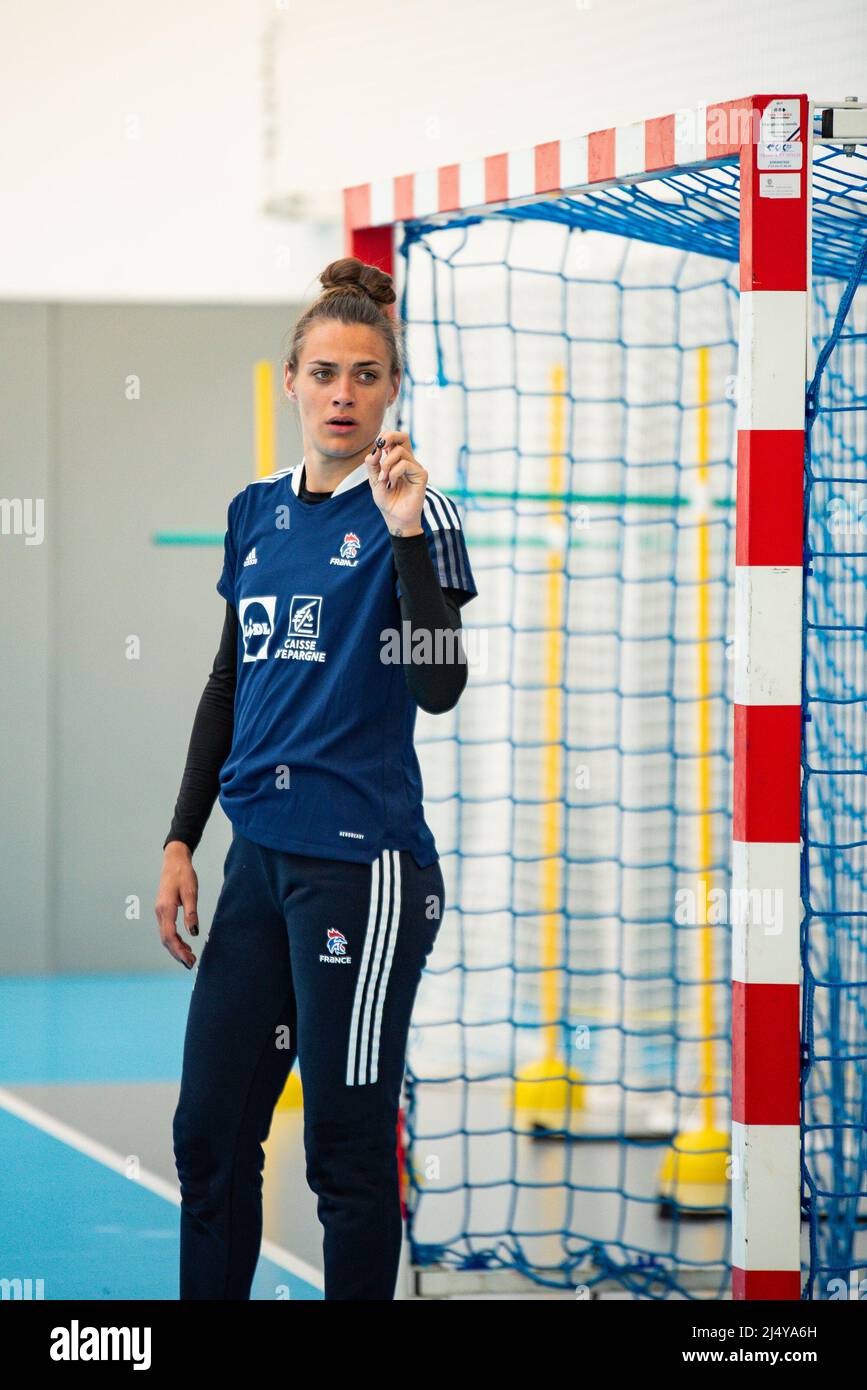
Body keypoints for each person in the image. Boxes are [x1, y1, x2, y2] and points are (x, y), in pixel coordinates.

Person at [154, 255, 478, 1301]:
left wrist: (403, 533)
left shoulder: (418, 514)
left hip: (364, 869)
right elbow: (225, 682)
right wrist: (178, 840)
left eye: (367, 375)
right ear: (290, 380)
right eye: (326, 372)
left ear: (392, 389)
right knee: (208, 1135)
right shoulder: (254, 511)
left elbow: (439, 688)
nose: (344, 392)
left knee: (343, 1150)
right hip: (256, 862)